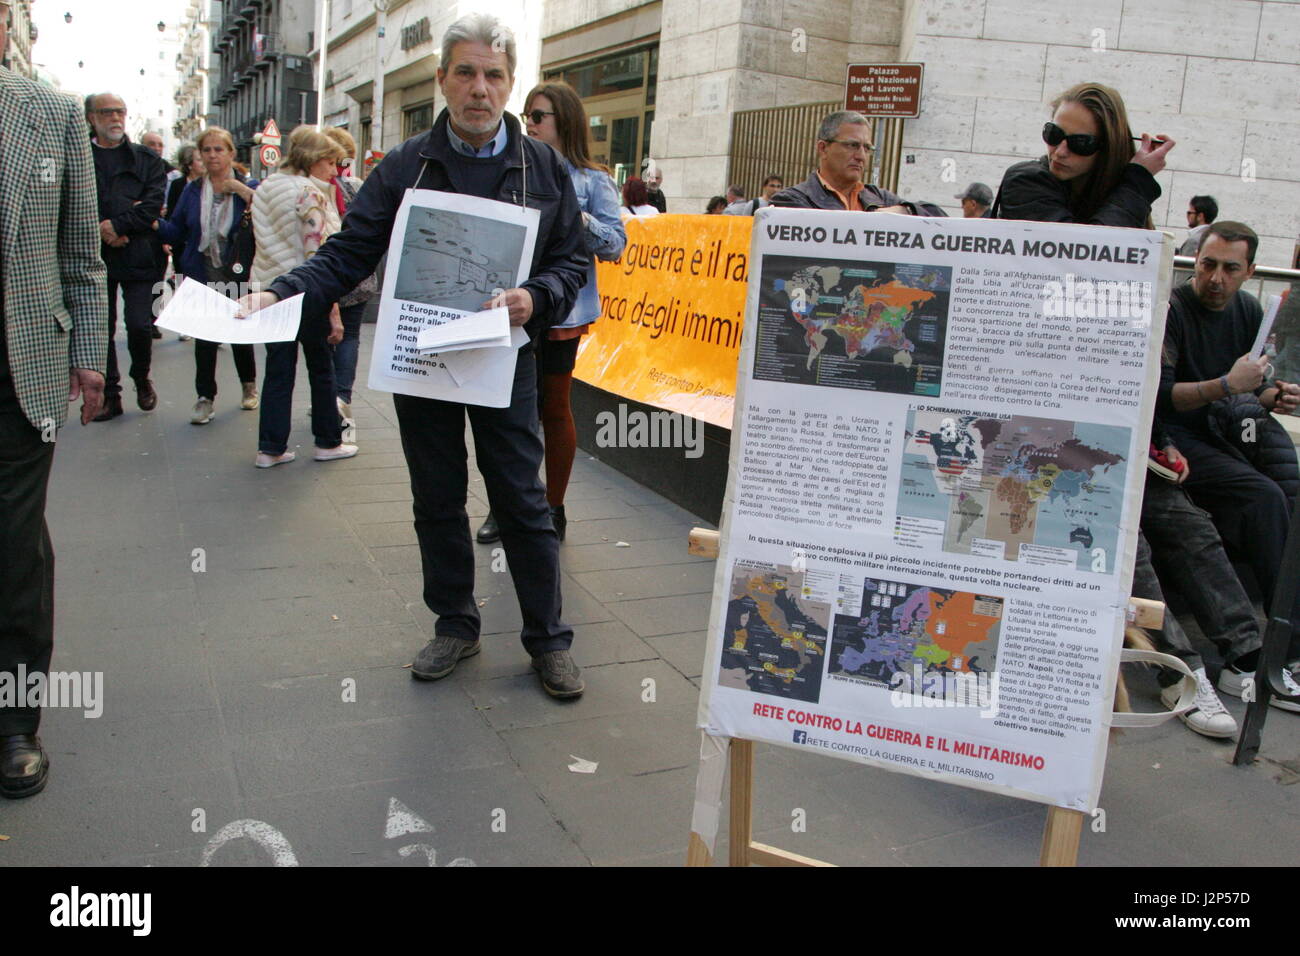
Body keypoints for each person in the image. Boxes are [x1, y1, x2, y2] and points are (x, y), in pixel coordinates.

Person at [237, 13, 589, 699]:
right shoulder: (406, 166)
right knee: (436, 497)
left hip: (501, 360)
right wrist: (278, 293)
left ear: (510, 83)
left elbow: (572, 259)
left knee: (521, 499)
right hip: (421, 360)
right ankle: (455, 624)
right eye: (465, 72)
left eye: (492, 75)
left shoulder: (543, 166)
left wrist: (534, 298)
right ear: (441, 81)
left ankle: (548, 639)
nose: (478, 88)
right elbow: (347, 252)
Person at [993, 81, 1272, 735]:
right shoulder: (1029, 185)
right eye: (1052, 134)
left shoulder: (1119, 201)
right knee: (1130, 544)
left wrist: (1148, 436)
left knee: (1187, 522)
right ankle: (1184, 672)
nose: (1059, 150)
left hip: (1101, 414)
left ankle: (1248, 654)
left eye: (1078, 142)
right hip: (1029, 413)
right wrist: (1139, 181)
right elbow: (1079, 260)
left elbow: (1127, 328)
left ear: (1106, 148)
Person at [0, 41, 108, 798]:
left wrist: (92, 352)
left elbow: (80, 251)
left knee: (13, 546)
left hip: (18, 367)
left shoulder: (51, 113)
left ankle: (14, 722)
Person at [1156, 219, 1300, 712]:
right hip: (1174, 439)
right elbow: (1161, 399)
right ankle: (1280, 651)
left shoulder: (1248, 309)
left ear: (1249, 271)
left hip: (1221, 431)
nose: (1216, 278)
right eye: (1207, 265)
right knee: (1262, 497)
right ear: (1195, 262)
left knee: (1280, 492)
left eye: (1229, 269)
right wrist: (1229, 386)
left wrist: (1271, 394)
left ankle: (1284, 639)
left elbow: (1247, 385)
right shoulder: (1173, 308)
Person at [476, 81, 626, 545]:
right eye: (528, 115)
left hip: (560, 312)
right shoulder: (512, 168)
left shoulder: (592, 179)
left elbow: (617, 245)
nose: (531, 123)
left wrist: (572, 214)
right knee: (501, 410)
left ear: (565, 121)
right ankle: (505, 506)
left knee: (552, 408)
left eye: (540, 116)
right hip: (505, 307)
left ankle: (553, 508)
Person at [249, 125, 354, 468]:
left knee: (278, 370)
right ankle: (327, 441)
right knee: (321, 366)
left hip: (268, 288)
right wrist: (334, 308)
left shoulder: (266, 187)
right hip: (304, 291)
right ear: (315, 160)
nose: (334, 171)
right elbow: (318, 254)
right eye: (330, 162)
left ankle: (270, 448)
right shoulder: (310, 193)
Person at [155, 126, 260, 422]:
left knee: (240, 333)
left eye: (219, 149)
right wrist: (152, 223)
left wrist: (238, 189)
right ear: (199, 155)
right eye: (207, 150)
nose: (212, 155)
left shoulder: (246, 185)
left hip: (237, 271)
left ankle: (249, 387)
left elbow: (264, 212)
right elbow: (177, 228)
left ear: (231, 153)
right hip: (202, 270)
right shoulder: (192, 190)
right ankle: (205, 397)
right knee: (205, 338)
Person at [84, 92, 167, 420]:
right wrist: (102, 229)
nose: (115, 118)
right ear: (92, 117)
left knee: (139, 324)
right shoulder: (79, 156)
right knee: (100, 328)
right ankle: (111, 395)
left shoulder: (145, 159)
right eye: (106, 113)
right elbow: (69, 203)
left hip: (137, 252)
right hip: (93, 257)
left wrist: (118, 225)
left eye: (119, 111)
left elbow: (152, 205)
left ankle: (141, 377)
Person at [322, 125, 378, 436]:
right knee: (350, 336)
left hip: (326, 273)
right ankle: (341, 396)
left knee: (327, 338)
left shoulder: (316, 187)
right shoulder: (358, 186)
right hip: (358, 275)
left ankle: (328, 395)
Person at [770, 111, 933, 214]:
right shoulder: (790, 201)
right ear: (823, 148)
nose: (861, 156)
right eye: (852, 145)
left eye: (867, 148)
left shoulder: (878, 197)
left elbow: (938, 217)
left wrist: (906, 210)